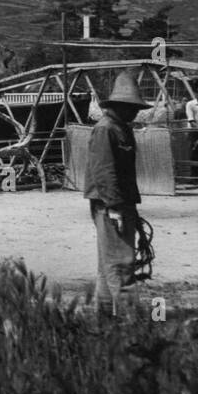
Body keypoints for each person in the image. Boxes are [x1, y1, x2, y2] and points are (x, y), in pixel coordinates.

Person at [82, 71, 149, 317]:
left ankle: (105, 317)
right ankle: (131, 323)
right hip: (111, 205)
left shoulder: (121, 128)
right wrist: (115, 207)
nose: (136, 112)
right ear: (119, 105)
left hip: (121, 203)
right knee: (121, 263)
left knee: (107, 265)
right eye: (132, 107)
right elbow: (104, 172)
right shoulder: (106, 129)